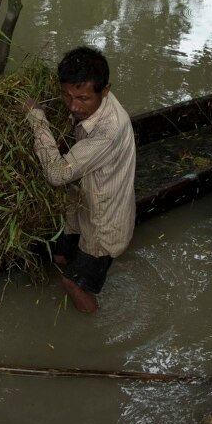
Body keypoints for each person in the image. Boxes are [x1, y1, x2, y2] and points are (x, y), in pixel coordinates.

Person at [25, 47, 136, 313]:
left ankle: (92, 324)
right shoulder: (92, 100)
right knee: (60, 254)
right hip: (82, 201)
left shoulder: (109, 129)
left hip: (104, 221)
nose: (74, 106)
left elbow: (57, 174)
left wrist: (36, 118)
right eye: (67, 95)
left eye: (83, 99)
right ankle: (71, 267)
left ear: (105, 90)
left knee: (72, 283)